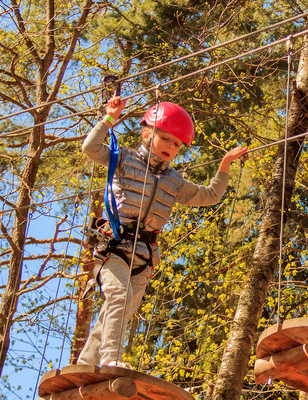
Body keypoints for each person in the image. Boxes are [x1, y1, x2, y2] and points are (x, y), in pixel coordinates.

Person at [77, 95, 247, 369]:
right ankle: (110, 358)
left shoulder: (174, 181)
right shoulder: (123, 160)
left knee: (117, 314)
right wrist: (109, 119)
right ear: (147, 133)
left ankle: (84, 367)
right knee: (117, 298)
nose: (171, 146)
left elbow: (211, 195)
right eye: (166, 138)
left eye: (177, 144)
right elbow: (90, 147)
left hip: (144, 258)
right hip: (115, 248)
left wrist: (225, 164)